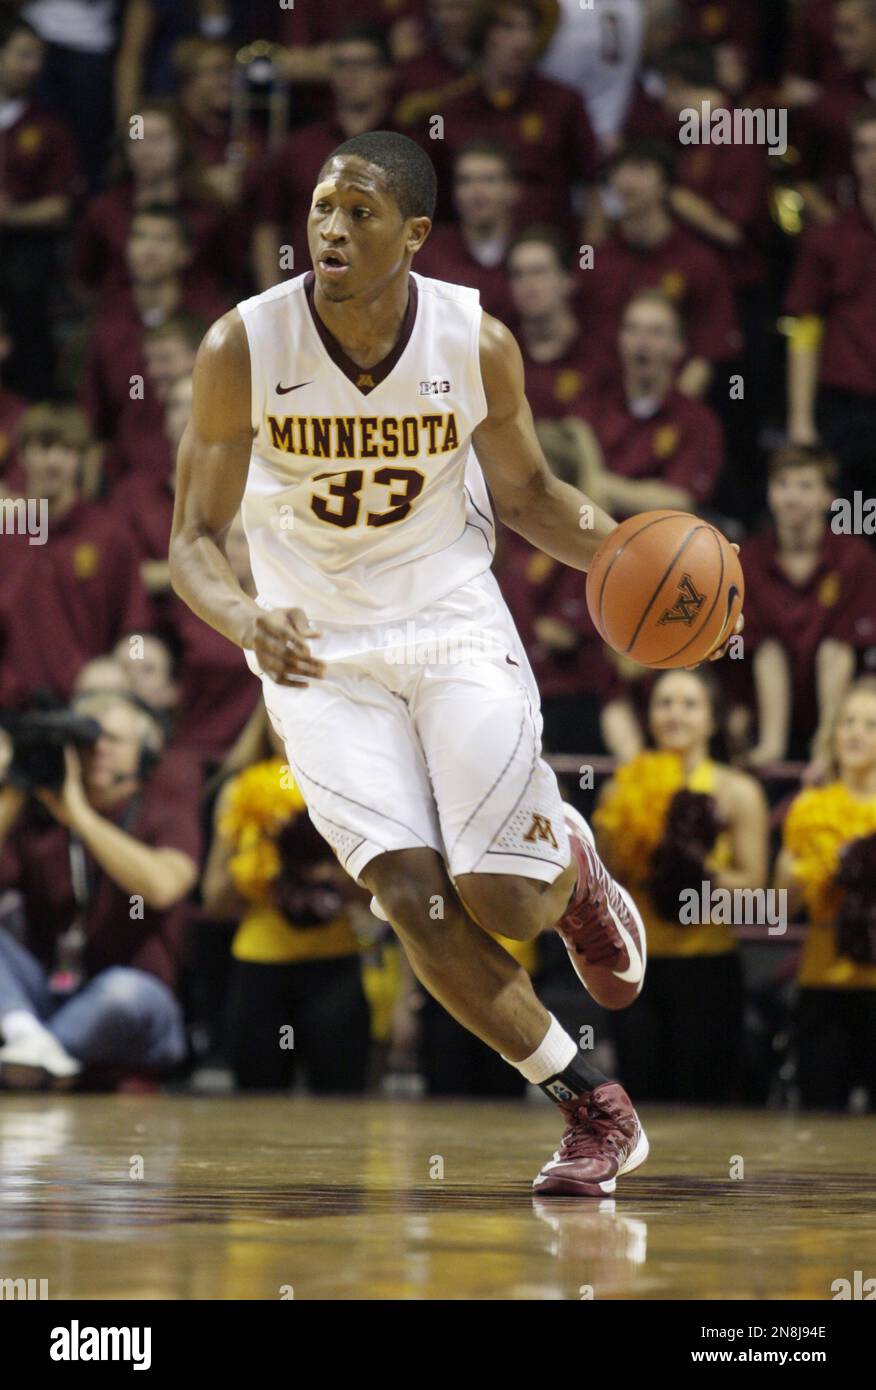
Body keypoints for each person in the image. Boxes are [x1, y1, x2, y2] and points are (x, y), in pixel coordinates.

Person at [169, 129, 659, 1198]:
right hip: (316, 655)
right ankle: (592, 1106)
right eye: (320, 210)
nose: (331, 230)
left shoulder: (473, 342)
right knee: (409, 893)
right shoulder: (240, 349)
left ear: (416, 233)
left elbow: (530, 499)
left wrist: (636, 554)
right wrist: (247, 619)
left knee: (504, 900)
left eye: (358, 212)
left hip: (449, 623)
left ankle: (567, 865)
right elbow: (192, 545)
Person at [0, 690, 199, 1087]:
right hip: (50, 995)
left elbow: (162, 887)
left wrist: (81, 817)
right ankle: (32, 1045)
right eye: (89, 740)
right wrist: (14, 788)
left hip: (137, 1000)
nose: (100, 750)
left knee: (123, 992)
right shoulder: (39, 813)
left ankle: (33, 1055)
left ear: (146, 750)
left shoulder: (162, 805)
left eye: (114, 740)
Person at [593, 669, 768, 1103]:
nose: (675, 714)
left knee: (706, 1099)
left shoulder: (738, 791)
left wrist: (697, 871)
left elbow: (755, 890)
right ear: (649, 716)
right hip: (638, 968)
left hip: (706, 967)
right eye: (664, 703)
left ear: (712, 719)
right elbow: (604, 879)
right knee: (643, 1096)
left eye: (690, 704)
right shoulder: (620, 789)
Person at [202, 719, 371, 1093]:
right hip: (260, 967)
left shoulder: (353, 788)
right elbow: (213, 901)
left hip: (335, 965)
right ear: (266, 724)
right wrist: (259, 861)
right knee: (257, 1106)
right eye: (282, 717)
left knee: (343, 1108)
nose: (294, 729)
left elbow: (380, 897)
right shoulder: (240, 790)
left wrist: (333, 869)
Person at [734, 446, 876, 780]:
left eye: (805, 486)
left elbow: (857, 645)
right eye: (782, 484)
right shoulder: (748, 558)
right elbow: (749, 645)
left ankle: (827, 745)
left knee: (834, 649)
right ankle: (771, 744)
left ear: (829, 497)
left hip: (842, 696)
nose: (792, 496)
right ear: (769, 493)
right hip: (769, 697)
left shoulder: (854, 557)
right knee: (768, 650)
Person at [0, 405, 153, 710]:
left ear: (80, 459)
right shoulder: (5, 535)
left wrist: (128, 666)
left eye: (66, 450)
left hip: (89, 707)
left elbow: (134, 626)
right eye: (43, 448)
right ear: (23, 456)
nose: (54, 461)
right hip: (8, 711)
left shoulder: (111, 536)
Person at [776, 679, 876, 1110]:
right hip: (823, 983)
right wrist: (820, 867)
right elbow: (784, 903)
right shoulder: (807, 808)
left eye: (871, 724)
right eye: (848, 721)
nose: (855, 732)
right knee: (820, 1113)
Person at [253, 27, 400, 294]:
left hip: (386, 303)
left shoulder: (410, 149)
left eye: (362, 64)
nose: (350, 74)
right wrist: (271, 298)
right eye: (341, 64)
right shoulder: (299, 147)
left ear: (386, 74)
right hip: (307, 301)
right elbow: (268, 224)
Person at [785, 104, 876, 497]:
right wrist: (801, 419)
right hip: (844, 407)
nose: (872, 160)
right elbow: (805, 329)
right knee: (843, 523)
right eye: (862, 148)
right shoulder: (828, 239)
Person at [581, 289, 724, 518]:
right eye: (632, 329)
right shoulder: (592, 403)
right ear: (620, 340)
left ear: (679, 347)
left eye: (656, 332)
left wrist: (598, 484)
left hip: (657, 546)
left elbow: (678, 503)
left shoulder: (698, 422)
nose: (642, 342)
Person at [0, 11, 80, 397]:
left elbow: (60, 207)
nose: (34, 67)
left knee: (26, 283)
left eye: (38, 57)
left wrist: (11, 215)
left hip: (23, 249)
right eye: (23, 55)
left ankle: (32, 399)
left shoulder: (49, 127)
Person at [413, 139, 519, 324]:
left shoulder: (535, 251)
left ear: (512, 189)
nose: (476, 193)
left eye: (488, 180)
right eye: (465, 181)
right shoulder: (428, 255)